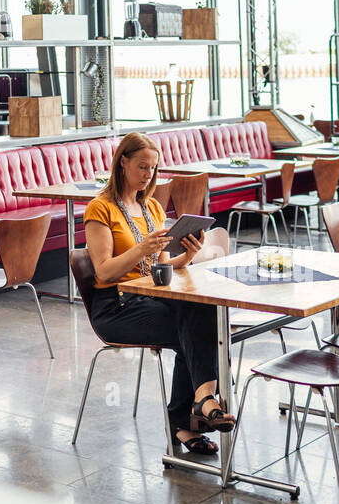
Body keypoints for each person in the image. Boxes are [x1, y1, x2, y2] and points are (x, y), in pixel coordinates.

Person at [83, 131, 235, 453]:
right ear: (122, 162)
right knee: (196, 328)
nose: (148, 175)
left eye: (153, 168)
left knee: (204, 311)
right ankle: (194, 410)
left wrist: (190, 253)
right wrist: (141, 249)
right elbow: (103, 271)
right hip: (116, 306)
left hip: (151, 295)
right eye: (141, 167)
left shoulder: (151, 206)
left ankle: (197, 406)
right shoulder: (100, 208)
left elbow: (163, 266)